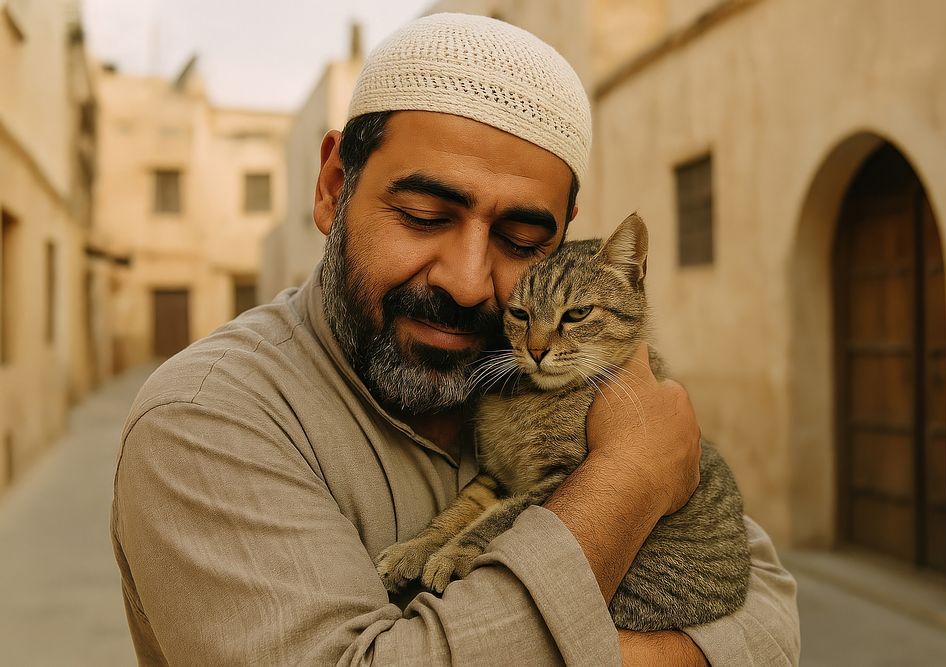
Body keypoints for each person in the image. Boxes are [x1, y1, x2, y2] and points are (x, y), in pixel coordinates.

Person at [112, 13, 799, 666]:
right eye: (423, 215)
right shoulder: (205, 420)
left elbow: (771, 618)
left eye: (521, 240)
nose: (471, 282)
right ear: (331, 189)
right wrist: (628, 479)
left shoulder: (550, 372)